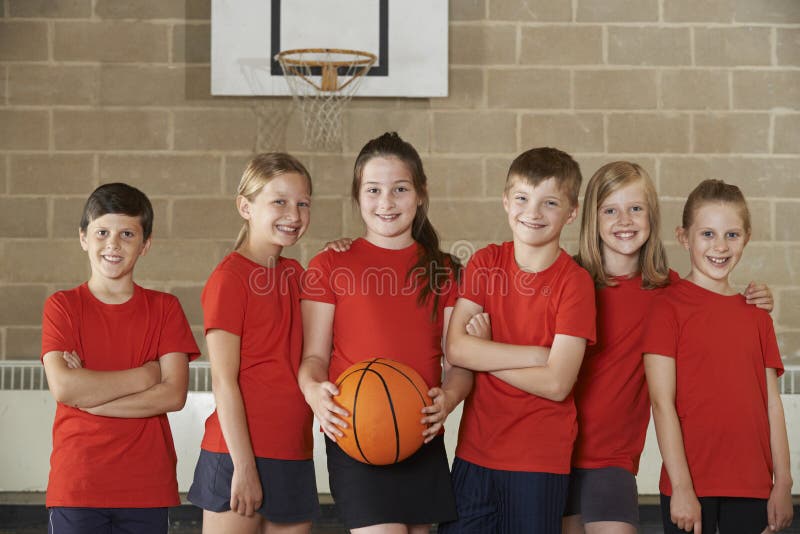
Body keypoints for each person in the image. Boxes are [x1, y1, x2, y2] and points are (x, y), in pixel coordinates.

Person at [564, 163, 774, 534]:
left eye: (636, 208)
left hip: (611, 461)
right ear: (591, 218)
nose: (624, 220)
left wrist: (754, 300)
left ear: (653, 216)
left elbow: (713, 304)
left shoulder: (667, 293)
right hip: (552, 450)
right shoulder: (568, 280)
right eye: (610, 209)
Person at [298, 131, 469, 533]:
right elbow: (313, 358)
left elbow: (458, 362)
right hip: (356, 431)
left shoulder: (444, 269)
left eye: (400, 189)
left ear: (421, 193)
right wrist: (312, 392)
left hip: (423, 433)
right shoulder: (330, 264)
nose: (386, 202)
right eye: (373, 190)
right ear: (357, 197)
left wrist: (449, 398)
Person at [440, 147, 596, 534]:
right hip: (475, 453)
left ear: (571, 212)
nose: (533, 212)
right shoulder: (485, 262)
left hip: (538, 461)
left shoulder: (574, 283)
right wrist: (536, 355)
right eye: (523, 198)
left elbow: (558, 384)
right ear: (506, 201)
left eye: (550, 202)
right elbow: (456, 348)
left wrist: (487, 352)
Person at [41, 182, 199, 534]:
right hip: (78, 483)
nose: (113, 244)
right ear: (84, 237)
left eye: (127, 233)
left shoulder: (165, 308)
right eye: (102, 232)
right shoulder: (62, 306)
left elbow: (173, 395)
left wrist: (92, 400)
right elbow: (65, 388)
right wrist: (145, 377)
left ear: (145, 245)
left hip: (147, 485)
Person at [643, 179, 793, 534]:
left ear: (747, 237)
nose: (720, 246)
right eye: (707, 234)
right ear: (684, 238)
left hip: (752, 485)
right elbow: (661, 403)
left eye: (732, 235)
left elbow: (772, 405)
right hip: (691, 485)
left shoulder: (757, 316)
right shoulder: (667, 309)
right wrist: (681, 487)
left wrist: (783, 482)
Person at [187, 154, 319, 534]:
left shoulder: (296, 274)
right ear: (246, 206)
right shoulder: (230, 278)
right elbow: (224, 381)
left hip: (294, 452)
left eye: (303, 203)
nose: (293, 213)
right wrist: (244, 467)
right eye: (279, 201)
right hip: (237, 454)